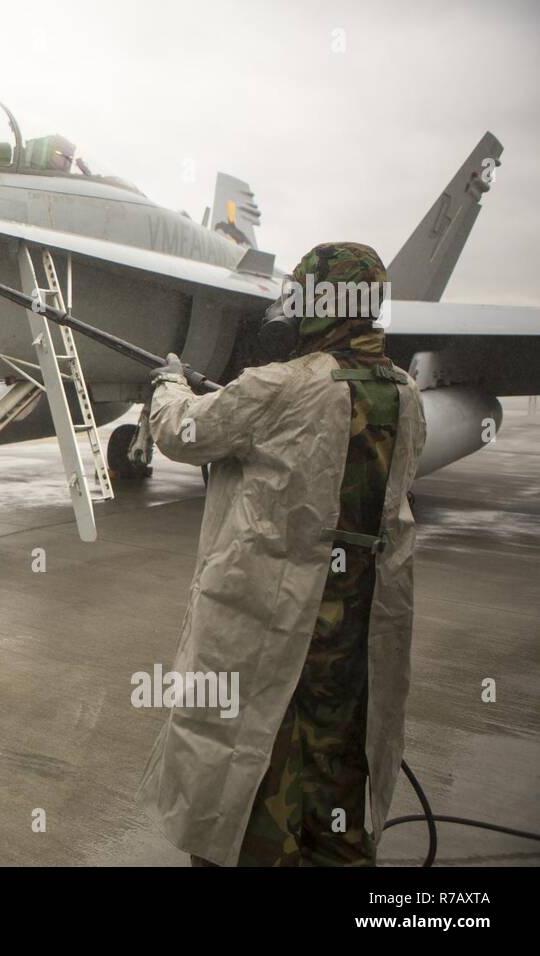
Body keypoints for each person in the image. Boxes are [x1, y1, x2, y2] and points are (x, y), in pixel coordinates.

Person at [137, 242, 427, 866]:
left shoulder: (282, 386)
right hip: (361, 631)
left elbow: (181, 433)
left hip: (275, 621)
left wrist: (167, 384)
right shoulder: (406, 393)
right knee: (339, 760)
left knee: (249, 766)